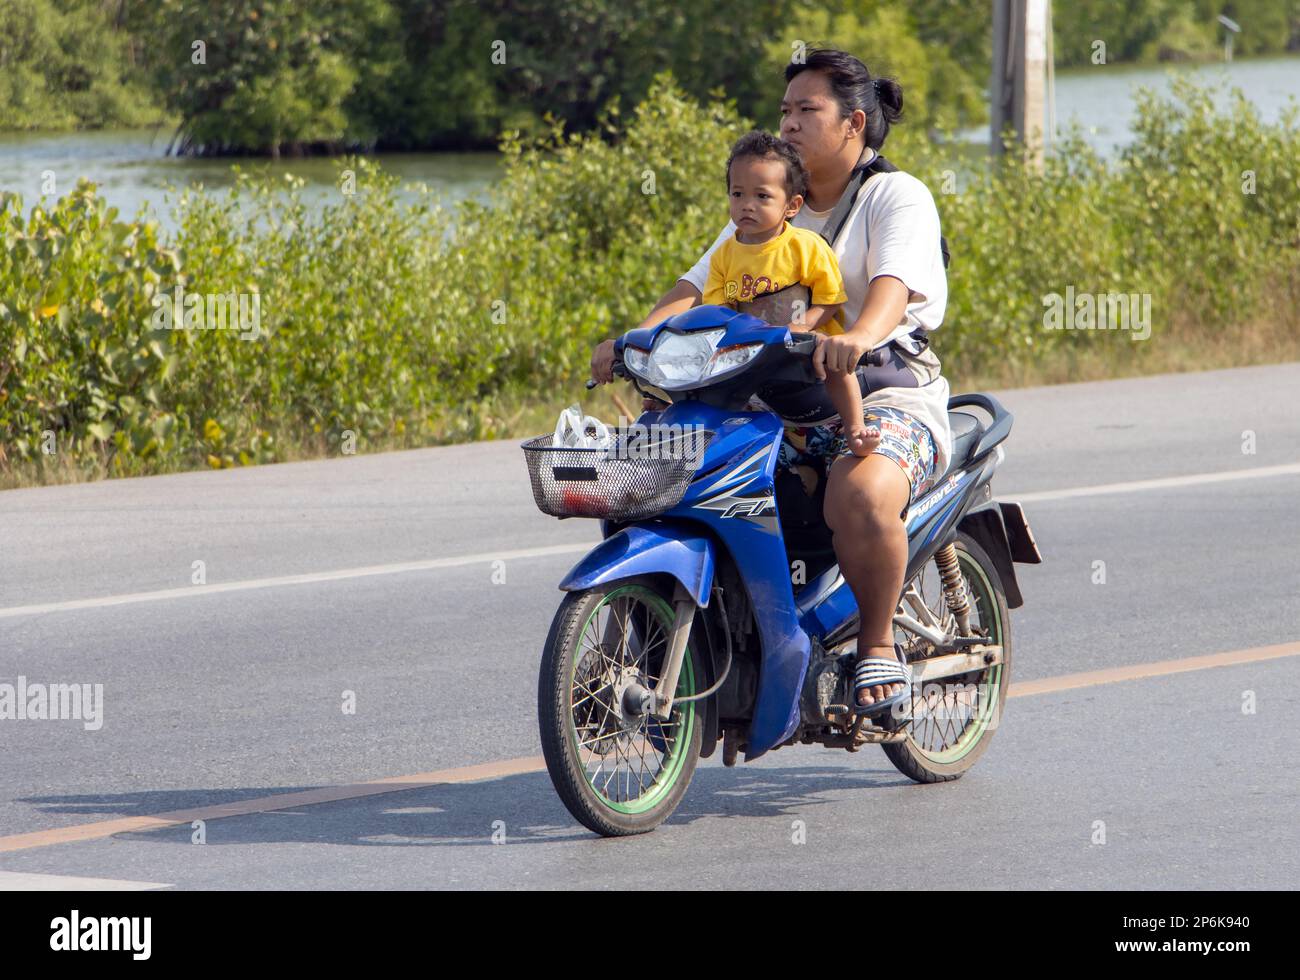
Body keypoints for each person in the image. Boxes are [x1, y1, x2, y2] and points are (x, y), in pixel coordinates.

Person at [590, 49, 952, 716]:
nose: (788, 123)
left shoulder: (894, 196)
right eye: (784, 110)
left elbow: (893, 290)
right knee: (651, 475)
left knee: (863, 493)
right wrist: (634, 341)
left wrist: (857, 338)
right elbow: (692, 292)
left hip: (884, 394)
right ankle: (653, 648)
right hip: (770, 403)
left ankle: (877, 647)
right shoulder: (765, 208)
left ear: (854, 123)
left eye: (806, 110)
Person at [703, 129, 876, 456]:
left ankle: (855, 427)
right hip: (751, 345)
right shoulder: (725, 254)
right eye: (737, 194)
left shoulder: (804, 246)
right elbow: (717, 311)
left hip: (806, 340)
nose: (747, 206)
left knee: (834, 359)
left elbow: (829, 300)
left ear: (792, 205)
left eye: (762, 196)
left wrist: (803, 327)